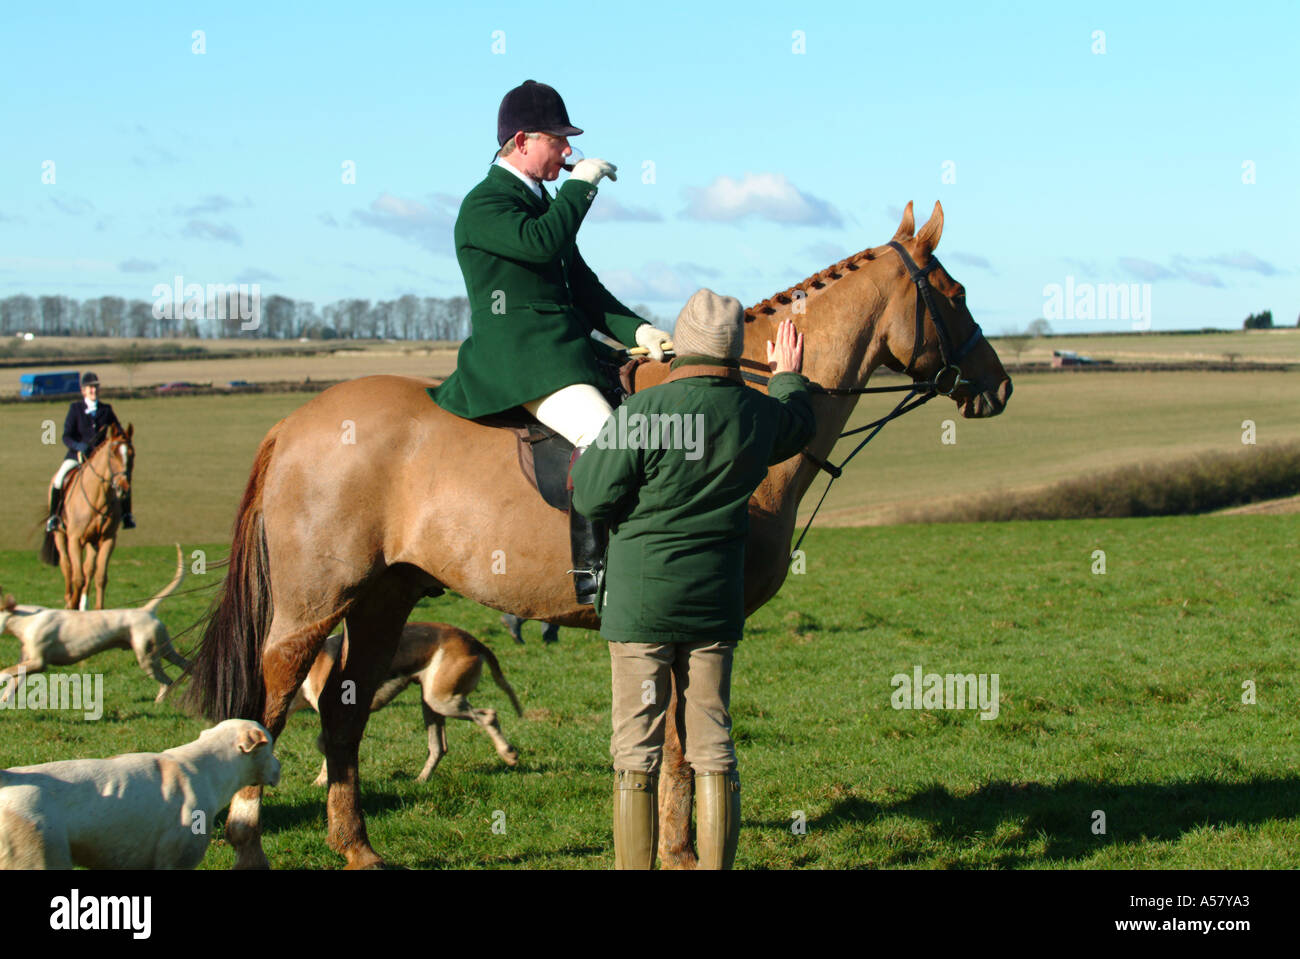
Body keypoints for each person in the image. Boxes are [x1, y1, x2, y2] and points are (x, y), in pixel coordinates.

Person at [571, 290, 816, 869]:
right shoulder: (757, 414)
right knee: (713, 745)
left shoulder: (643, 413)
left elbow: (591, 495)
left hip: (640, 605)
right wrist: (786, 377)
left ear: (683, 348)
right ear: (734, 353)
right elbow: (798, 426)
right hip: (714, 605)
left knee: (636, 749)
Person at [428, 79, 673, 605]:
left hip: (566, 349)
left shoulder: (540, 202)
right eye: (557, 141)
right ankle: (593, 576)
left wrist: (640, 332)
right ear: (521, 141)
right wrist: (581, 186)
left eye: (570, 143)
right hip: (521, 361)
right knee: (608, 436)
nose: (567, 152)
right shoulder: (485, 203)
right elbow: (540, 248)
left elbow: (582, 285)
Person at [46, 371, 135, 532]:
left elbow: (119, 432)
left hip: (100, 460)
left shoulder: (106, 410)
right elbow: (66, 436)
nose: (93, 391)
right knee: (59, 480)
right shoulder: (75, 409)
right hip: (77, 456)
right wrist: (79, 446)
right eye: (90, 388)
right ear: (83, 391)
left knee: (123, 479)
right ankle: (54, 517)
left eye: (95, 387)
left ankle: (127, 515)